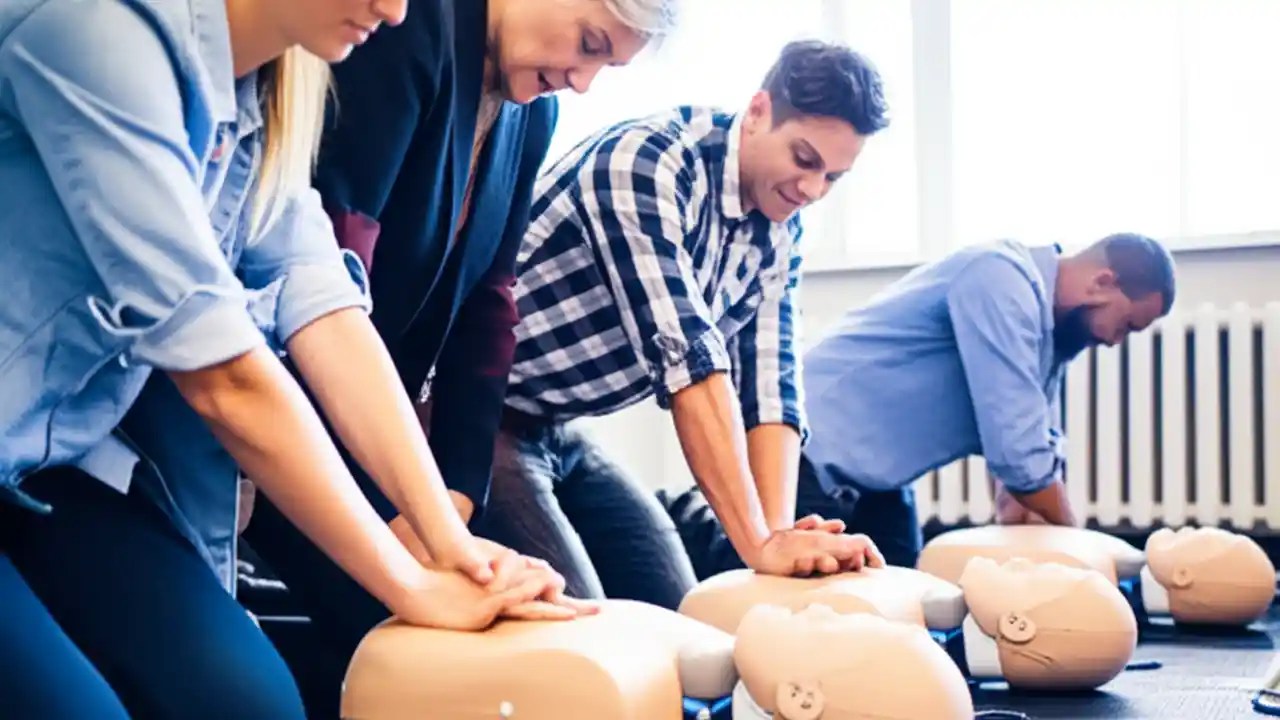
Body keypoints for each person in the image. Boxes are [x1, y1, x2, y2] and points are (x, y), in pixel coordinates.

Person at [0, 0, 575, 717]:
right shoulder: (97, 29)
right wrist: (407, 583)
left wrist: (448, 540)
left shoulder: (264, 93)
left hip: (44, 465)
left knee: (252, 702)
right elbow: (224, 377)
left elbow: (325, 308)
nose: (396, 11)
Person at [238, 0, 680, 695]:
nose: (585, 79)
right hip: (293, 415)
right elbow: (320, 303)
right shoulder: (404, 29)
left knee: (553, 628)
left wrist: (454, 506)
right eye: (590, 44)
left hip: (376, 429)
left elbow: (489, 307)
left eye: (608, 65)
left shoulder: (532, 114)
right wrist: (406, 527)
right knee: (446, 652)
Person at [477, 39, 891, 611]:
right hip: (474, 417)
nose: (812, 191)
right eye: (804, 159)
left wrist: (775, 539)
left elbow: (770, 394)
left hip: (557, 427)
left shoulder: (781, 233)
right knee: (590, 634)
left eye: (834, 179)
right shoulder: (646, 163)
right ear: (758, 112)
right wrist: (761, 543)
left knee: (680, 614)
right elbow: (689, 362)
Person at [666, 233, 1177, 572]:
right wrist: (1084, 552)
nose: (1117, 340)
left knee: (907, 610)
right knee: (794, 609)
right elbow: (1021, 460)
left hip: (876, 483)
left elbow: (1029, 458)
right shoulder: (1000, 277)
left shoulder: (1053, 336)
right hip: (805, 454)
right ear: (1102, 282)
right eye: (1128, 324)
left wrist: (1032, 539)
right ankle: (679, 520)